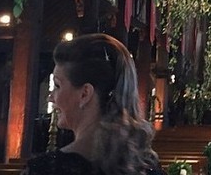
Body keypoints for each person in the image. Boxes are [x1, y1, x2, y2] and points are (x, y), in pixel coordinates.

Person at [23, 33, 161, 175]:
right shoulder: (147, 168)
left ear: (85, 94)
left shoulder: (46, 170)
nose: (50, 98)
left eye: (57, 86)